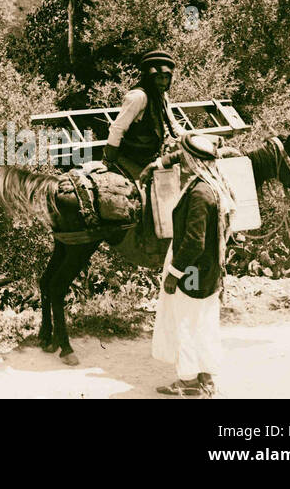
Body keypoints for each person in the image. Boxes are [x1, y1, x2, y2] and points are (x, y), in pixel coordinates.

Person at [152, 132, 236, 397]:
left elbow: (193, 243)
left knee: (186, 322)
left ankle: (188, 383)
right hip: (208, 269)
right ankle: (206, 378)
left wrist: (174, 274)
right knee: (203, 321)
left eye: (185, 157)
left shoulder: (200, 193)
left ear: (192, 160)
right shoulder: (213, 186)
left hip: (193, 270)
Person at [103, 49, 178, 183]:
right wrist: (108, 160)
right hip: (132, 158)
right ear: (150, 77)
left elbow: (172, 124)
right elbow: (117, 129)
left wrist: (192, 139)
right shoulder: (138, 97)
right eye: (159, 77)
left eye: (166, 77)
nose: (164, 82)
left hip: (153, 156)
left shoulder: (162, 96)